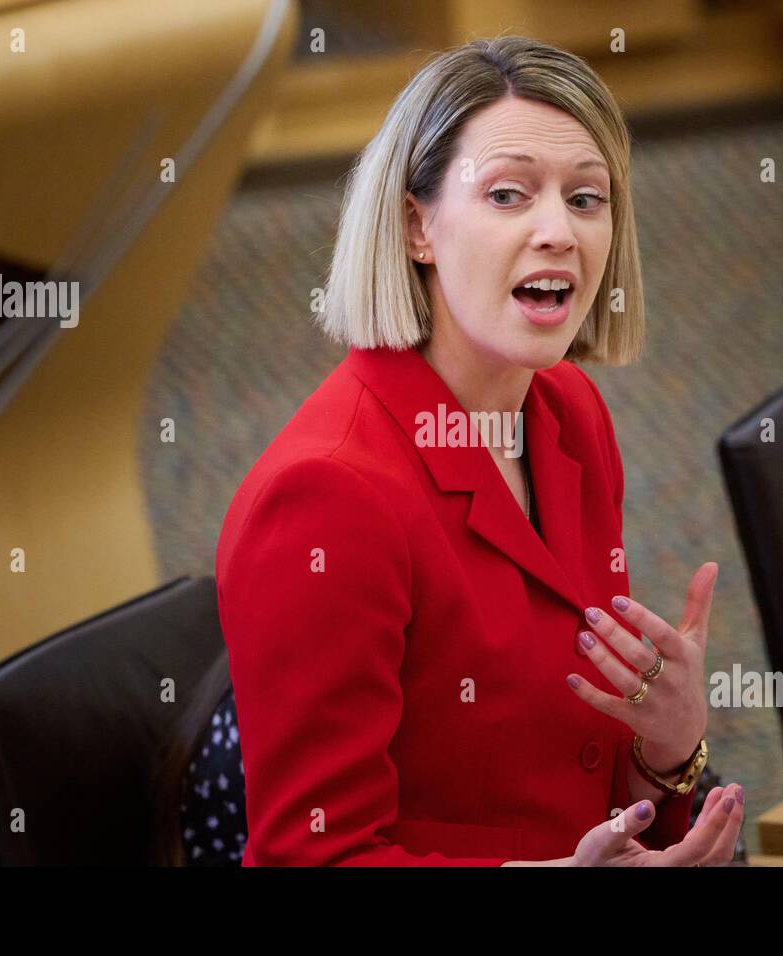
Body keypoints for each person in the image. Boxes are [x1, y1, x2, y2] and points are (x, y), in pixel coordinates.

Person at [214, 34, 745, 866]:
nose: (558, 233)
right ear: (417, 226)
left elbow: (584, 778)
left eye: (586, 198)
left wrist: (667, 754)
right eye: (508, 195)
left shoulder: (568, 412)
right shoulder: (326, 499)